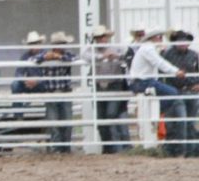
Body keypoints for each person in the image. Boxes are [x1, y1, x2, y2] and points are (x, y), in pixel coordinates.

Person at [129, 29, 187, 157]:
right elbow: (159, 63)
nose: (161, 39)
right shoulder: (148, 49)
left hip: (143, 81)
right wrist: (176, 71)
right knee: (173, 93)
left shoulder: (147, 49)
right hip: (144, 81)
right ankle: (160, 111)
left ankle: (159, 111)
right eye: (159, 37)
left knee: (170, 94)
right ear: (154, 38)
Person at [83, 25, 129, 153]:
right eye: (99, 37)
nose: (101, 39)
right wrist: (102, 57)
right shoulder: (92, 49)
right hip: (100, 86)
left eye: (103, 36)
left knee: (111, 114)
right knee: (101, 117)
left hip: (114, 84)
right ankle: (109, 147)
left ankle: (117, 147)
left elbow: (126, 55)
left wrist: (116, 56)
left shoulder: (116, 48)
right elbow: (84, 55)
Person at [32, 31, 76, 153]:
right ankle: (56, 148)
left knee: (67, 121)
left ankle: (65, 147)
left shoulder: (66, 55)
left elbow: (73, 58)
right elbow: (34, 59)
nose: (63, 47)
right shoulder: (46, 55)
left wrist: (58, 57)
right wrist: (46, 57)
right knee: (54, 122)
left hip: (64, 91)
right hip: (51, 92)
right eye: (61, 44)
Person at [162, 30, 199, 156]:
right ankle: (178, 150)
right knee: (179, 121)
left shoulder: (194, 55)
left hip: (191, 91)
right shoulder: (167, 54)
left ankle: (191, 151)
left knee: (189, 122)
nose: (183, 43)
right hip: (175, 91)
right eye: (180, 40)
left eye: (185, 41)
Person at [12, 30, 46, 95]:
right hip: (28, 84)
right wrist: (26, 81)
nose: (33, 46)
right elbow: (18, 73)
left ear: (39, 43)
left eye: (35, 43)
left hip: (42, 84)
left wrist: (37, 81)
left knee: (47, 84)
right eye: (31, 44)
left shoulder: (46, 55)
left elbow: (48, 75)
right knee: (15, 85)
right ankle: (18, 104)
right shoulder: (25, 56)